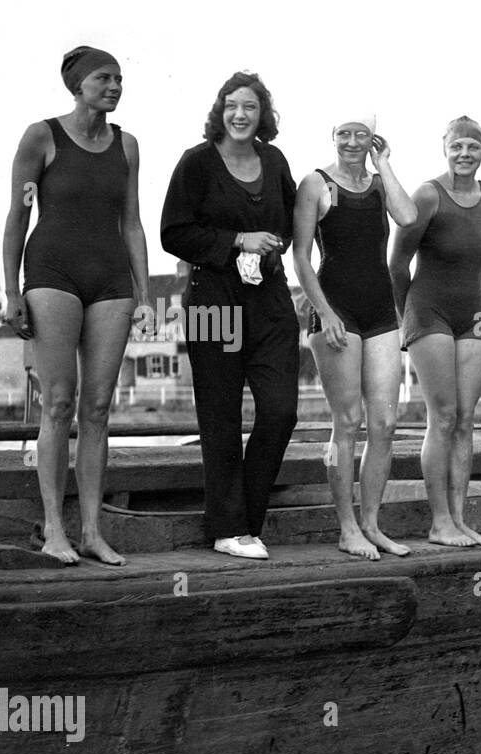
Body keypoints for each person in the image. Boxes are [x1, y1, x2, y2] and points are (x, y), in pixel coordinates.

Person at [3, 46, 148, 566]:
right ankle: (53, 530)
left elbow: (131, 222)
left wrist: (145, 293)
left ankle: (91, 530)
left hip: (111, 279)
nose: (114, 86)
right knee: (59, 403)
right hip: (52, 275)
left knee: (98, 408)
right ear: (77, 84)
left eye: (119, 79)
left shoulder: (127, 146)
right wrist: (10, 287)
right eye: (104, 78)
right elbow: (18, 217)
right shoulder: (41, 137)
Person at [162, 72, 299, 560]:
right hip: (210, 299)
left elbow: (292, 219)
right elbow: (173, 233)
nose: (240, 115)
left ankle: (246, 520)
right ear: (219, 112)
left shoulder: (275, 160)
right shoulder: (196, 163)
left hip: (271, 299)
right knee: (219, 416)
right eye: (232, 106)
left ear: (264, 115)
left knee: (282, 410)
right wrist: (237, 241)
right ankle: (228, 529)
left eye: (251, 107)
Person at [292, 113, 418, 560]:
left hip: (381, 311)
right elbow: (301, 259)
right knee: (347, 423)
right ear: (332, 137)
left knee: (384, 422)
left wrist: (384, 164)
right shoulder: (316, 184)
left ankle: (371, 524)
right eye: (343, 133)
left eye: (360, 134)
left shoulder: (380, 183)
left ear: (373, 138)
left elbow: (407, 215)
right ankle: (347, 528)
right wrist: (323, 313)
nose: (351, 141)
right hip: (336, 312)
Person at [389, 116, 481, 548]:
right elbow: (398, 263)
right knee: (441, 418)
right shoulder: (428, 195)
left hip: (473, 310)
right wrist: (408, 316)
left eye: (472, 147)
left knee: (465, 419)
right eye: (457, 146)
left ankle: (459, 518)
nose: (464, 154)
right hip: (428, 309)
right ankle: (439, 522)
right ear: (445, 148)